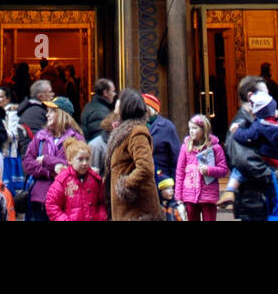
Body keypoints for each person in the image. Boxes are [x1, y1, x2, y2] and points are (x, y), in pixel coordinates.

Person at [221, 80, 278, 208]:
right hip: (253, 199)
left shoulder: (259, 123)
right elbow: (244, 161)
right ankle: (230, 191)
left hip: (264, 195)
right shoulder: (244, 121)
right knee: (237, 171)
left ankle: (230, 189)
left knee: (236, 173)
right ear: (250, 96)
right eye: (265, 94)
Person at [105, 89, 163, 221]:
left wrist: (125, 184)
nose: (117, 102)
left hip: (137, 210)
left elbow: (145, 168)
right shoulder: (124, 131)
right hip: (127, 208)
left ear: (127, 106)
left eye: (120, 100)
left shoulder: (137, 132)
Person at [23, 97, 83, 221]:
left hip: (65, 202)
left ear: (61, 114)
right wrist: (49, 172)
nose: (47, 115)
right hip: (39, 200)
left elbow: (75, 168)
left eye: (51, 111)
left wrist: (47, 160)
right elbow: (27, 162)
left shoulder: (76, 139)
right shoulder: (40, 136)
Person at [175, 114, 227, 220]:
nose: (191, 131)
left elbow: (223, 170)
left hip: (208, 195)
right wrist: (179, 196)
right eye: (190, 128)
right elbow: (180, 172)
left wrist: (209, 170)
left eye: (195, 128)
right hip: (189, 194)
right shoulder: (185, 147)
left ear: (204, 130)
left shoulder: (215, 148)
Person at [45, 136, 107, 221]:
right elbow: (51, 205)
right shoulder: (62, 180)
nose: (85, 163)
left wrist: (101, 217)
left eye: (87, 159)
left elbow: (102, 202)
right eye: (80, 159)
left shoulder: (95, 179)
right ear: (70, 160)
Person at [143, 92, 182, 185]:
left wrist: (176, 183)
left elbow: (176, 157)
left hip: (163, 180)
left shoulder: (167, 127)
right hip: (143, 179)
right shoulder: (136, 125)